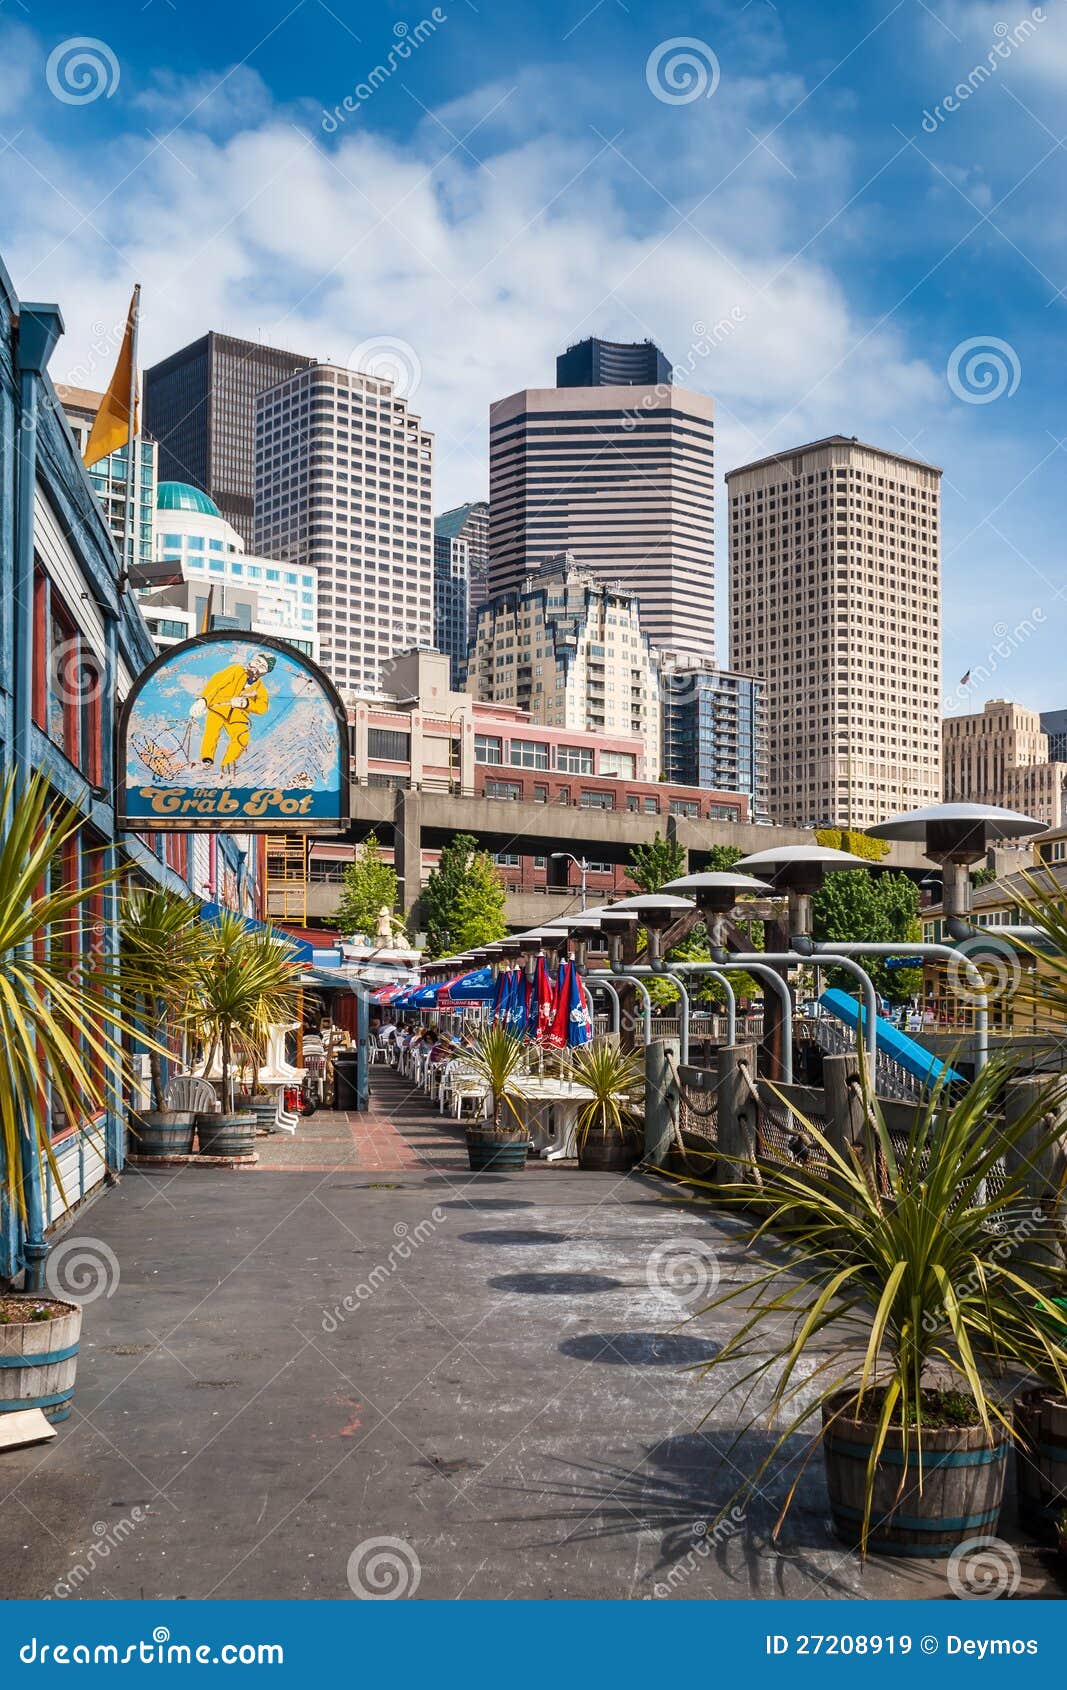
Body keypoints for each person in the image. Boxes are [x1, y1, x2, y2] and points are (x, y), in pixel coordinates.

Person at [189, 650, 276, 771]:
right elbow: (217, 682)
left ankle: (227, 764)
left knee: (242, 738)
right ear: (252, 661)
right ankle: (207, 759)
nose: (257, 666)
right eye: (257, 661)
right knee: (212, 732)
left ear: (265, 672)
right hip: (218, 708)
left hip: (238, 717)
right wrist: (204, 700)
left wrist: (246, 703)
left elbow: (263, 707)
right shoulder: (236, 670)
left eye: (262, 666)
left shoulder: (260, 688)